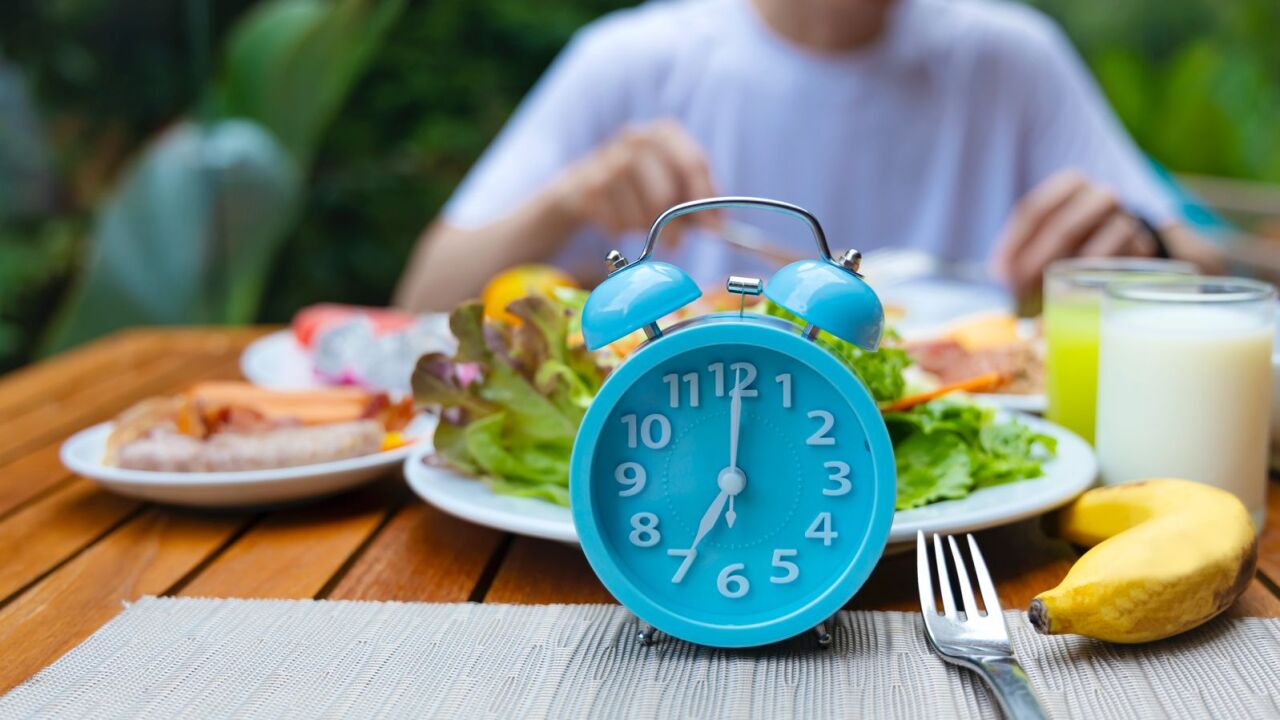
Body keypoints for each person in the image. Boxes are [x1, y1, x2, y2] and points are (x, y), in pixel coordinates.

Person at [395, 0, 1222, 311]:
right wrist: (563, 201)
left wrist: (1144, 245)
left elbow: (1213, 265)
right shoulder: (630, 59)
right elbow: (422, 297)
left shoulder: (1013, 58)